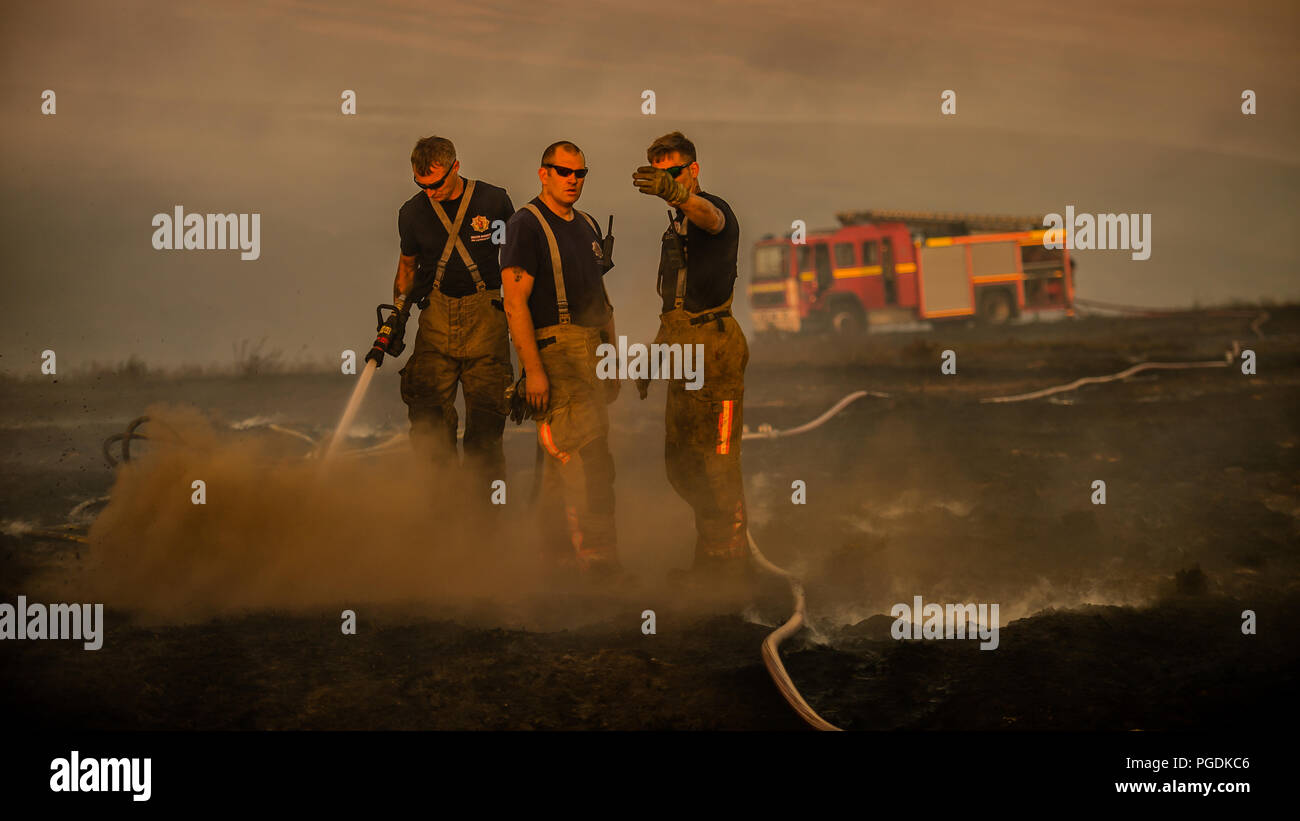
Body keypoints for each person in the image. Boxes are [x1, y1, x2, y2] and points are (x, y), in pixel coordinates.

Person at [631, 131, 750, 592]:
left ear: (694, 170)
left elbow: (711, 217)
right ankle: (711, 557)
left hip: (716, 351)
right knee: (681, 463)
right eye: (661, 175)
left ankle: (730, 571)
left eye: (676, 173)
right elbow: (673, 304)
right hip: (683, 353)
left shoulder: (711, 212)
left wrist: (678, 195)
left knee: (718, 463)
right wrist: (655, 354)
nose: (669, 182)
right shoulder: (673, 229)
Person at [501, 141, 620, 578]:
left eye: (580, 173)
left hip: (590, 350)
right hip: (555, 351)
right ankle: (599, 563)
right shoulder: (525, 226)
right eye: (563, 171)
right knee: (588, 462)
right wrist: (532, 372)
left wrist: (612, 356)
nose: (573, 180)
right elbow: (515, 304)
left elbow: (601, 299)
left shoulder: (587, 224)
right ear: (543, 173)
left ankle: (553, 560)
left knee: (559, 462)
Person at [394, 136, 514, 495]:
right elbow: (407, 267)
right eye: (421, 185)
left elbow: (517, 262)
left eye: (436, 183)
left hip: (488, 323)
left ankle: (486, 525)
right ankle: (442, 520)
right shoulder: (412, 213)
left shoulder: (493, 201)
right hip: (434, 323)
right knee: (429, 430)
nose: (429, 192)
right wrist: (397, 315)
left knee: (485, 437)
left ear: (456, 167)